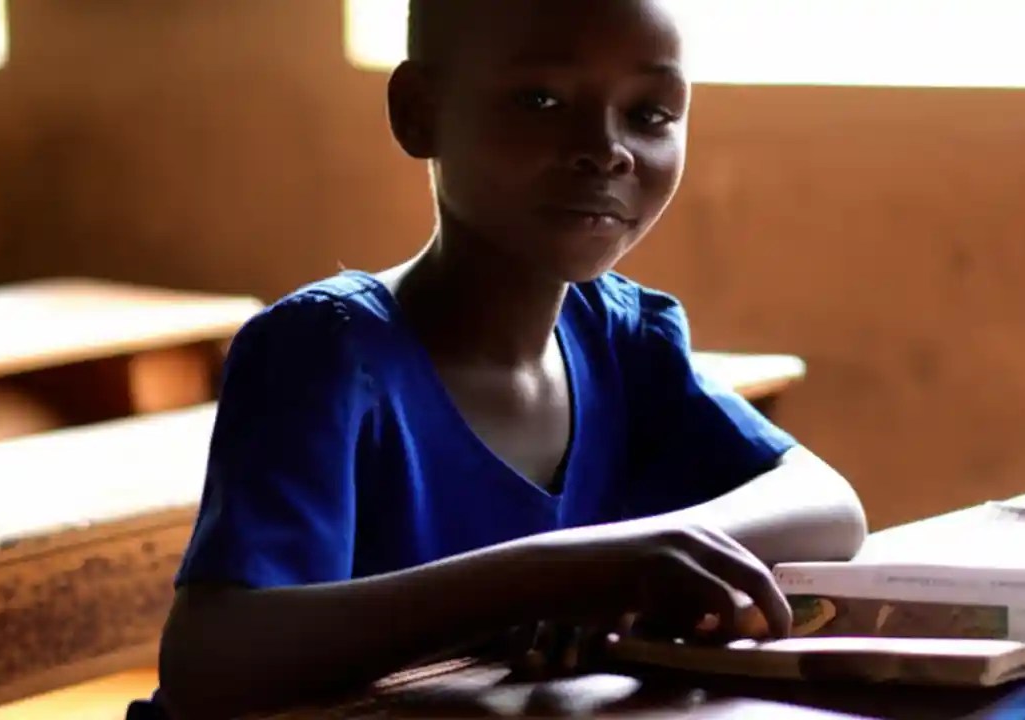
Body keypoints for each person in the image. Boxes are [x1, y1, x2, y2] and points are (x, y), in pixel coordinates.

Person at [146, 1, 867, 717]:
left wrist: (619, 565)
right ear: (419, 112)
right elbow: (213, 663)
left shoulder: (620, 339)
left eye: (649, 114)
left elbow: (828, 508)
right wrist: (556, 576)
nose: (606, 148)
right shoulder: (327, 355)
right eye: (541, 99)